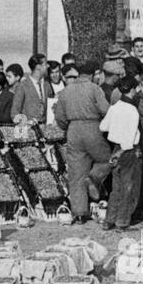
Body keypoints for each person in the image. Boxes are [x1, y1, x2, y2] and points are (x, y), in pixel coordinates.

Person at [54, 61, 112, 222]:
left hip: (73, 130)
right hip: (93, 127)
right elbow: (106, 110)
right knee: (107, 159)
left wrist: (69, 125)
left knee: (76, 173)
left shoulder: (65, 91)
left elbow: (59, 117)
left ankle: (79, 213)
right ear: (93, 74)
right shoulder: (94, 89)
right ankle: (94, 177)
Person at [98, 76, 142, 232]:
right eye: (135, 89)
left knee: (115, 188)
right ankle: (122, 222)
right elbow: (129, 139)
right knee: (128, 188)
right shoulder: (132, 110)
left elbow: (103, 127)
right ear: (131, 90)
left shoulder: (115, 107)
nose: (136, 91)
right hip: (127, 151)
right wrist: (123, 151)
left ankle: (109, 220)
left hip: (115, 148)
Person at [11, 54, 53, 125]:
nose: (48, 66)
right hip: (28, 131)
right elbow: (14, 114)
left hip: (44, 129)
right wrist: (27, 123)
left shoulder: (47, 85)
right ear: (38, 67)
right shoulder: (23, 86)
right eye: (45, 64)